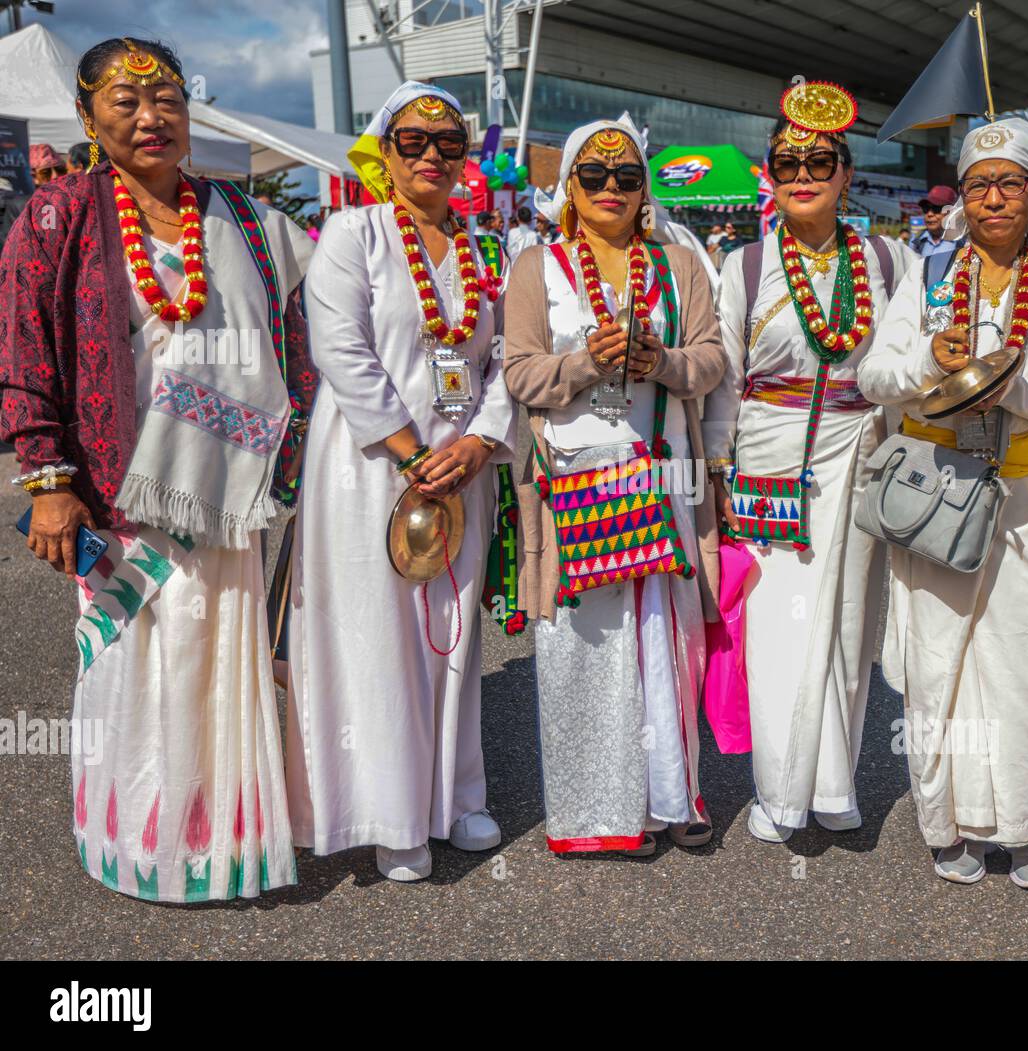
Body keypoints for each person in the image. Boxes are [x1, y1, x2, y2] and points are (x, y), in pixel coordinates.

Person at [0, 37, 316, 902]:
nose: (149, 117)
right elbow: (26, 356)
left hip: (225, 493)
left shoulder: (245, 218)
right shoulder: (59, 215)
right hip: (116, 496)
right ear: (87, 116)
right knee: (139, 667)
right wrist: (49, 479)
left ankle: (226, 846)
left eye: (166, 97)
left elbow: (304, 328)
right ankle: (139, 844)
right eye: (125, 101)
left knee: (222, 659)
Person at [285, 83, 517, 883]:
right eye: (412, 141)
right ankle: (388, 815)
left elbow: (501, 367)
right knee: (376, 634)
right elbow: (339, 350)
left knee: (453, 634)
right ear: (383, 153)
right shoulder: (353, 233)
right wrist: (416, 452)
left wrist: (483, 442)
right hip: (370, 467)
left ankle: (454, 797)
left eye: (448, 144)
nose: (430, 156)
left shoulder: (490, 248)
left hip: (463, 470)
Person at [857, 118, 1028, 888]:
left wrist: (1011, 387)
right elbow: (874, 378)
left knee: (1024, 664)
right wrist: (933, 359)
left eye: (1010, 183)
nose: (995, 198)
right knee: (938, 665)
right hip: (936, 488)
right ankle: (946, 822)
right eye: (979, 184)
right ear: (963, 197)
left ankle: (1024, 830)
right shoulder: (926, 271)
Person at [504, 116, 726, 855]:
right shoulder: (535, 267)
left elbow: (711, 361)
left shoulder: (678, 263)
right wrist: (585, 365)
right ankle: (598, 810)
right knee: (584, 643)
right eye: (593, 177)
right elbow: (519, 374)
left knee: (668, 639)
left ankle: (671, 794)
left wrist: (659, 361)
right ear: (569, 186)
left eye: (626, 177)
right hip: (574, 480)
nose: (610, 189)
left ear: (643, 188)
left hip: (661, 476)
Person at [704, 82, 913, 840]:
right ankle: (781, 791)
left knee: (850, 620)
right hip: (767, 448)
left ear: (845, 172)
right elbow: (724, 379)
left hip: (859, 450)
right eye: (787, 160)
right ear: (768, 172)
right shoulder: (746, 263)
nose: (802, 172)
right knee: (781, 622)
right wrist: (720, 471)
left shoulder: (891, 258)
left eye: (818, 160)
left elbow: (904, 366)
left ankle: (835, 784)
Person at [910, 184, 957, 258]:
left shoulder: (962, 242)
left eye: (936, 208)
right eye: (926, 208)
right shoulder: (916, 240)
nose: (929, 214)